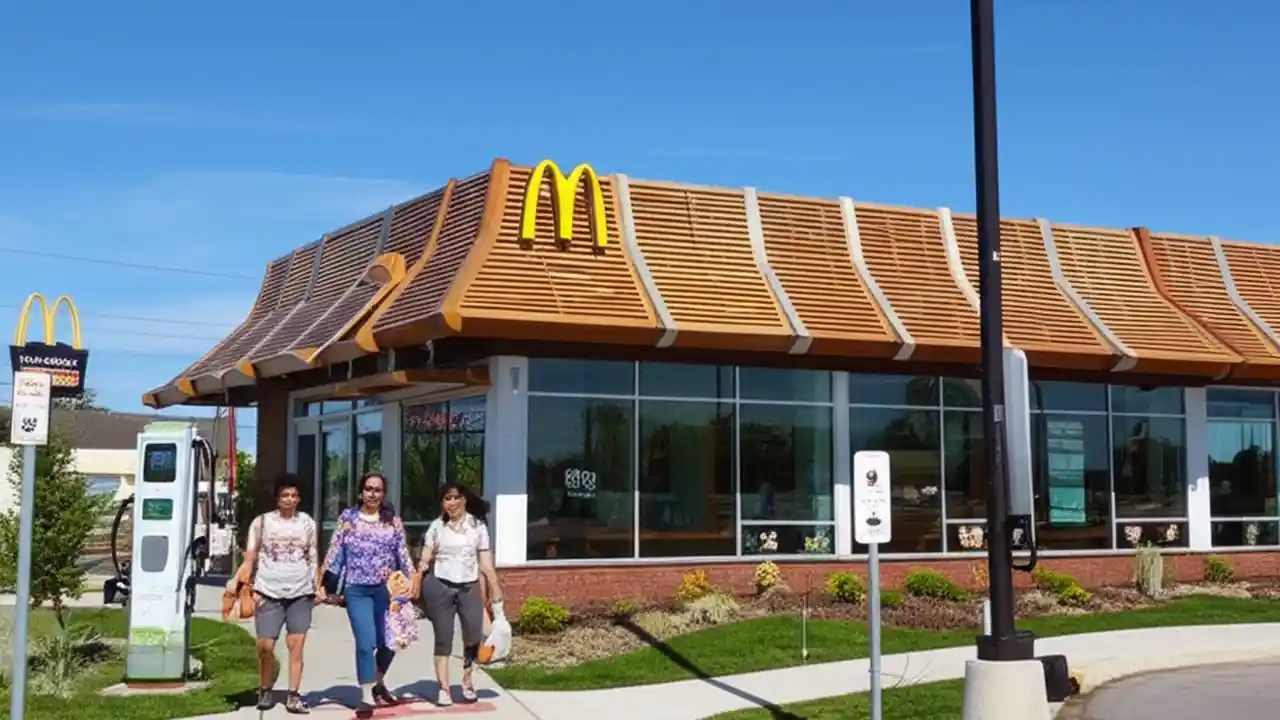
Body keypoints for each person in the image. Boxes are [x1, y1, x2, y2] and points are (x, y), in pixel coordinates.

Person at [318, 473, 414, 717]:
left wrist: (413, 581)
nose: (373, 494)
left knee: (390, 640)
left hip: (387, 590)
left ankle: (378, 682)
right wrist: (322, 582)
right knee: (365, 641)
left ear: (384, 494)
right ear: (361, 492)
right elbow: (335, 551)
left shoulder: (392, 521)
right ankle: (366, 695)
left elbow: (402, 553)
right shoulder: (348, 518)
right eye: (369, 489)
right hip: (357, 589)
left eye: (378, 490)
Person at [414, 482, 505, 706]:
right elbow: (426, 556)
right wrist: (419, 571)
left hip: (469, 586)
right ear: (442, 503)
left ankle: (467, 680)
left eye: (456, 498)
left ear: (464, 499)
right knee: (443, 638)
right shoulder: (437, 527)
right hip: (440, 586)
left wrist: (495, 587)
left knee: (474, 636)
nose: (452, 503)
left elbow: (485, 562)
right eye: (447, 499)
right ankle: (444, 688)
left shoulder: (478, 526)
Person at [238, 473, 318, 715]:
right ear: (277, 498)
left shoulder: (307, 523)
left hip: (300, 592)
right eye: (285, 495)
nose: (290, 499)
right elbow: (250, 556)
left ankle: (293, 695)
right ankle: (265, 687)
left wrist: (317, 586)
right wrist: (244, 582)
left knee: (296, 644)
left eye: (294, 495)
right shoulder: (261, 523)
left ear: (299, 498)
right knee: (265, 646)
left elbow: (313, 555)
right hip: (268, 591)